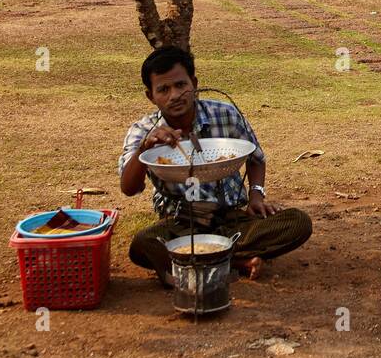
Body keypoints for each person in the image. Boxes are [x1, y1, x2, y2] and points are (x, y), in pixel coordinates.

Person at [119, 46, 312, 285]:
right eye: (163, 89)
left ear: (194, 83)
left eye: (180, 85)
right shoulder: (143, 131)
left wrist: (256, 196)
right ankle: (236, 261)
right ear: (151, 95)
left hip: (232, 218)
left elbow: (256, 158)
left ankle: (196, 262)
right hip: (181, 224)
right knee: (143, 245)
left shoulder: (224, 113)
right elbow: (128, 188)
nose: (174, 96)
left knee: (298, 222)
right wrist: (145, 148)